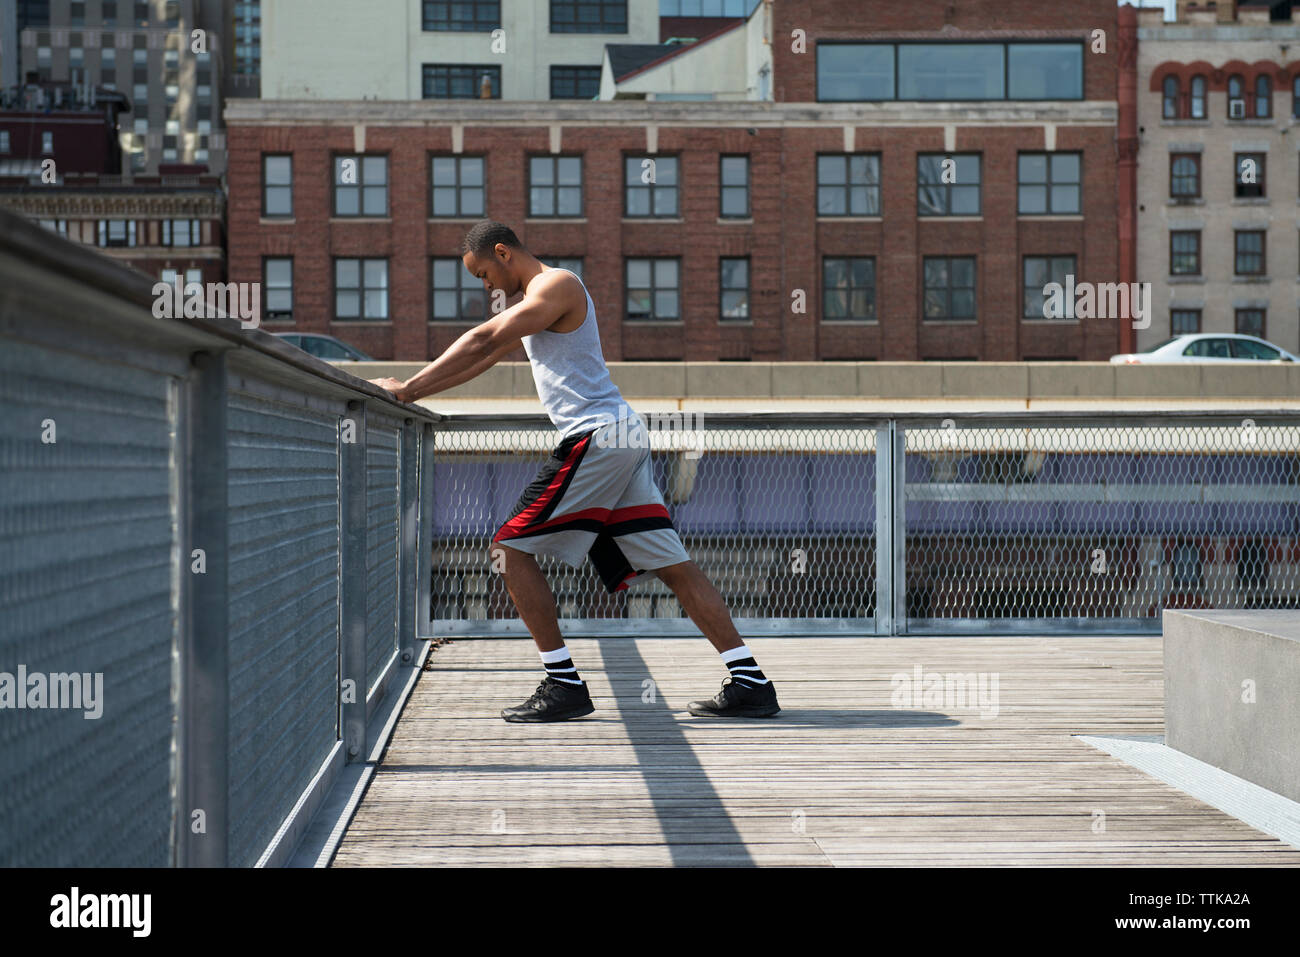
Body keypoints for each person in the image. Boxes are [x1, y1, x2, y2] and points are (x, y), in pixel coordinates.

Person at [369, 221, 779, 722]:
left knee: (508, 549)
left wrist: (408, 390)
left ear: (502, 253)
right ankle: (751, 683)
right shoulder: (536, 301)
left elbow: (484, 338)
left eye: (482, 274)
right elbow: (492, 352)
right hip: (620, 438)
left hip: (599, 438)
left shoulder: (556, 284)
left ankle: (563, 685)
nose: (485, 287)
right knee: (673, 565)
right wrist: (418, 389)